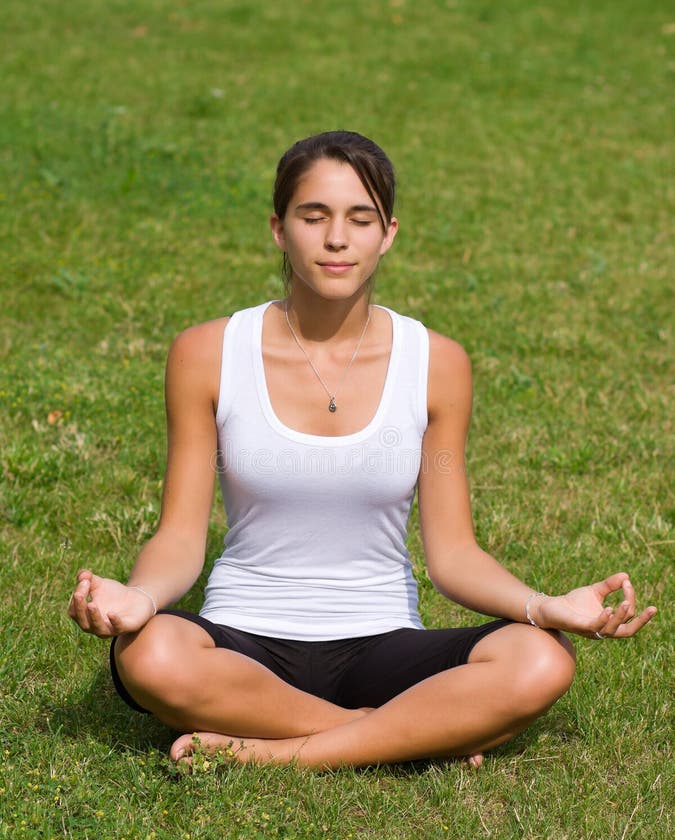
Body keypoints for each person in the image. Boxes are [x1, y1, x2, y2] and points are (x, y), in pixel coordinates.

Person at [68, 131, 657, 770]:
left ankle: (273, 754)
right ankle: (402, 735)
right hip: (245, 642)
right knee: (148, 654)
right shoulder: (208, 353)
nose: (337, 239)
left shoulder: (437, 364)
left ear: (389, 233)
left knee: (541, 659)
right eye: (313, 216)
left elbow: (453, 554)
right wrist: (142, 599)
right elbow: (180, 538)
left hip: (381, 643)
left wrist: (543, 606)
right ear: (278, 229)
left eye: (360, 219)